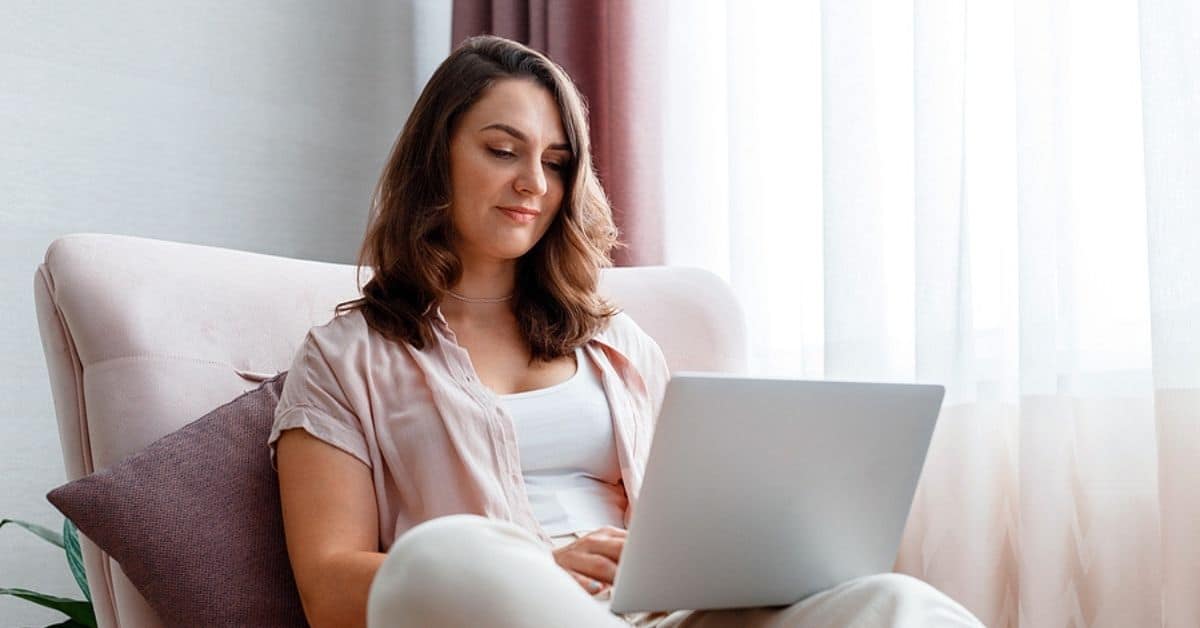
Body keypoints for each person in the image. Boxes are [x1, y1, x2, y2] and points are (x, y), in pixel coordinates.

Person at [270, 35, 983, 628]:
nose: (534, 185)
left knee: (896, 603)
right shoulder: (344, 359)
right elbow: (328, 587)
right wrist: (541, 571)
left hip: (657, 616)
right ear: (437, 156)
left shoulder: (620, 345)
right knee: (443, 558)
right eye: (501, 150)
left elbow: (692, 520)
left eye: (556, 163)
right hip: (493, 607)